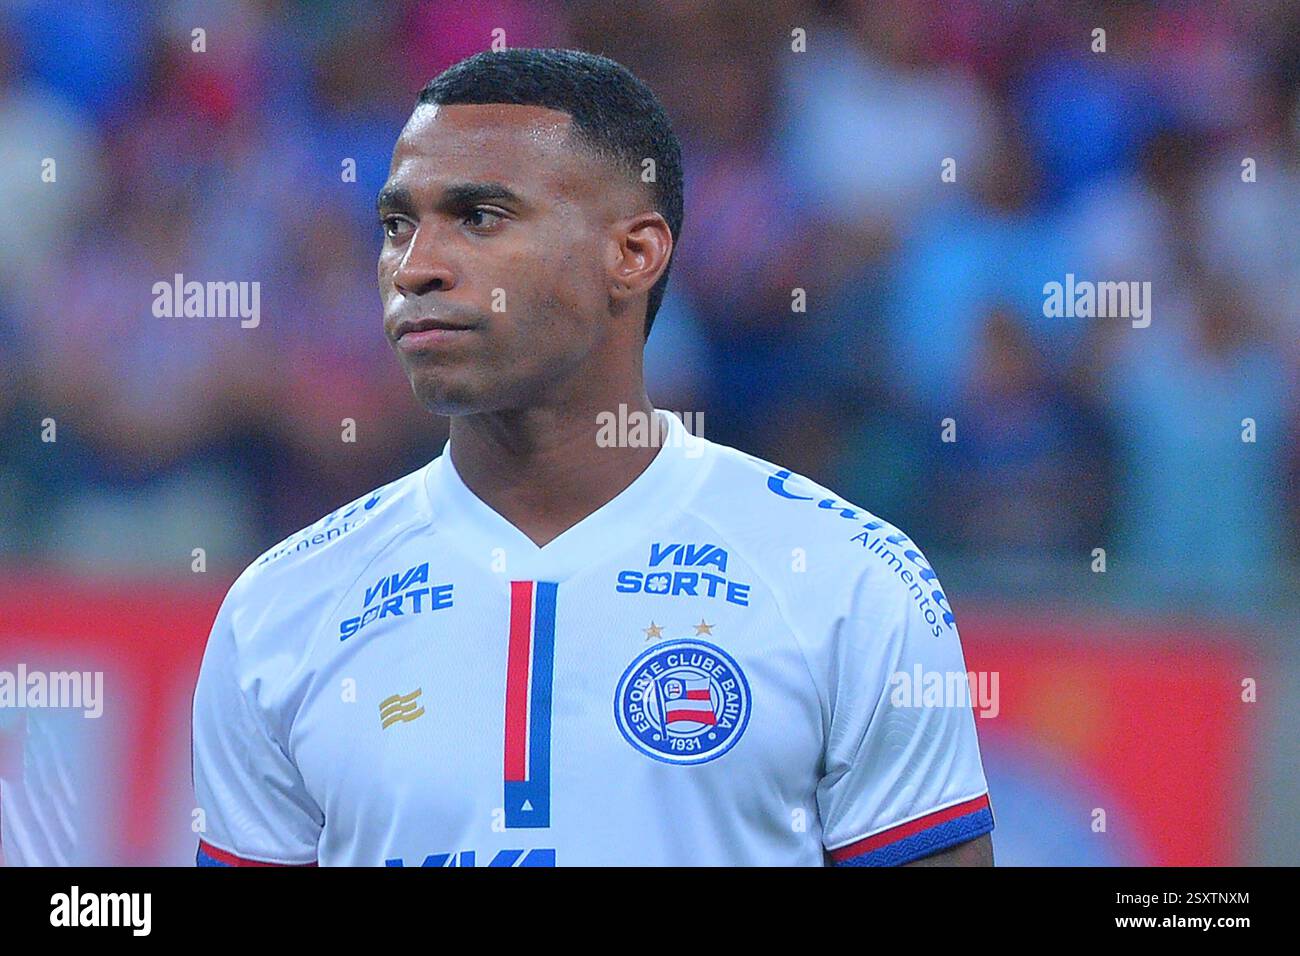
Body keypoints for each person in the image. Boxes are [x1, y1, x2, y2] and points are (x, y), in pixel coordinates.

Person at [191, 48, 994, 867]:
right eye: (398, 225)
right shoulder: (280, 611)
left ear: (634, 254)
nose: (416, 267)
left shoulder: (847, 581)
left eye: (480, 217)